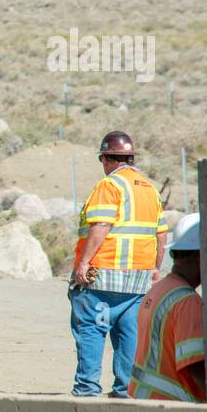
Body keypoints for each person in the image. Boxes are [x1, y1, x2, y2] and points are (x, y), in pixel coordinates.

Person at [69, 131, 168, 397]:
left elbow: (102, 224)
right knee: (129, 334)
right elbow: (161, 235)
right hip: (138, 279)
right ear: (130, 157)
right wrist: (155, 268)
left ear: (106, 159)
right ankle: (126, 389)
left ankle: (87, 388)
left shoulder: (110, 185)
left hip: (103, 276)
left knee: (91, 328)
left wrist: (83, 263)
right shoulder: (149, 188)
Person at [127, 214, 205, 402]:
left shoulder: (160, 289)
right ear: (200, 256)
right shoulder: (188, 302)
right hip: (172, 407)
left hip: (145, 400)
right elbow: (194, 366)